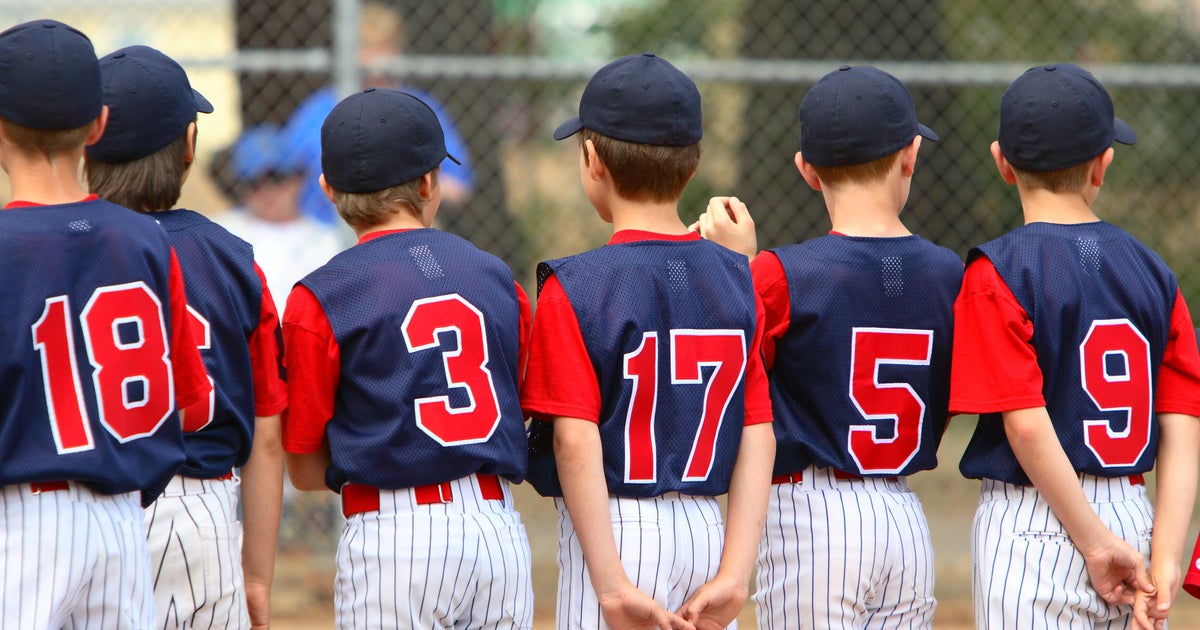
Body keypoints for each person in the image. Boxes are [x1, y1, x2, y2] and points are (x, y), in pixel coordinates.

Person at [694, 64, 961, 629]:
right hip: (905, 516)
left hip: (812, 513)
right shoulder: (951, 274)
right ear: (911, 155)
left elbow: (733, 366)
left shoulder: (783, 273)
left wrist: (737, 267)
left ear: (807, 171)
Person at [520, 52, 776, 630]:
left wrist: (610, 587)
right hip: (709, 532)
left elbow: (574, 445)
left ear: (593, 162)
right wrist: (737, 575)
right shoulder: (740, 276)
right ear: (693, 165)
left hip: (613, 534)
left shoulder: (574, 285)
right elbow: (758, 431)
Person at [949, 63, 1200, 629]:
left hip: (1034, 518)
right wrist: (1164, 554)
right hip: (1134, 515)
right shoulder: (1154, 271)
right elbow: (1183, 419)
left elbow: (1028, 426)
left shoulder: (998, 270)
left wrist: (1092, 542)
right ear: (1102, 165)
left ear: (1002, 164)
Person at [281, 87, 533, 629]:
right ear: (428, 184)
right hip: (496, 528)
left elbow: (302, 467)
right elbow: (521, 401)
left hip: (393, 535)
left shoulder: (320, 296)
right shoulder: (495, 275)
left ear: (327, 189)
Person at [0, 20, 210, 628]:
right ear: (97, 125)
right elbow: (191, 407)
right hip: (122, 524)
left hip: (22, 522)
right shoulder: (146, 240)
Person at [83, 45, 289, 629]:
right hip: (194, 510)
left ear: (85, 141)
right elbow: (267, 436)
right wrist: (256, 575)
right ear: (190, 146)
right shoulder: (230, 258)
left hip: (80, 505)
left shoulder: (56, 244)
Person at [284, 1, 473, 226]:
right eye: (365, 46)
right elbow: (283, 184)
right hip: (325, 234)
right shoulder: (318, 110)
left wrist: (401, 177)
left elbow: (459, 187)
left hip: (402, 228)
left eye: (385, 47)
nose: (377, 66)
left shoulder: (419, 108)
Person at [215, 124, 346, 312]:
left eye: (276, 178)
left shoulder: (328, 240)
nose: (267, 191)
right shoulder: (220, 231)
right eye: (255, 182)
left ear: (299, 178)